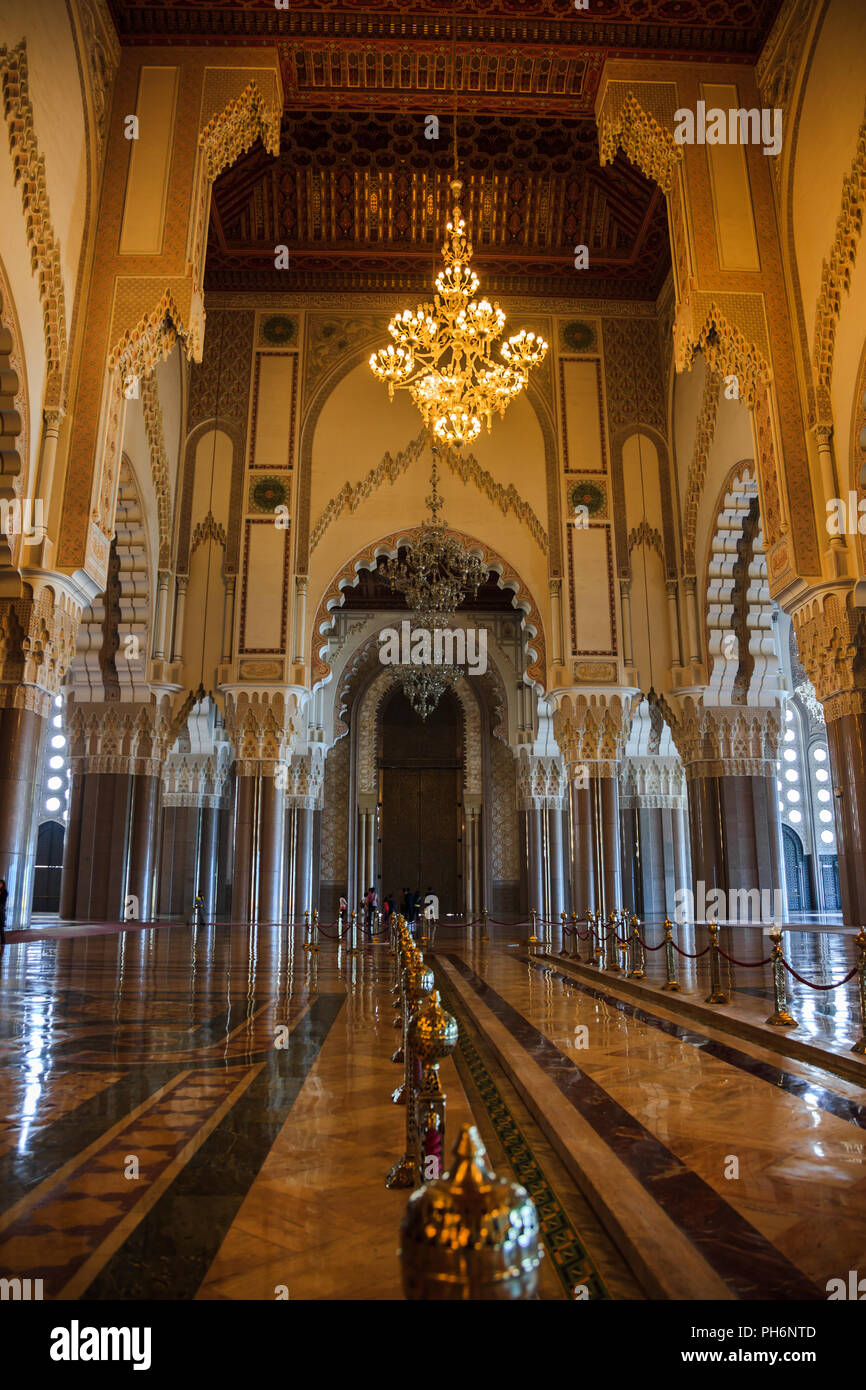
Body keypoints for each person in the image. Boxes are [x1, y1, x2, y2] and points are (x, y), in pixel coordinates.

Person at [0, 878, 7, 947]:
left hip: (1, 911)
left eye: (0, 884)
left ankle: (3, 940)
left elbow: (3, 902)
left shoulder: (4, 892)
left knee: (1, 927)